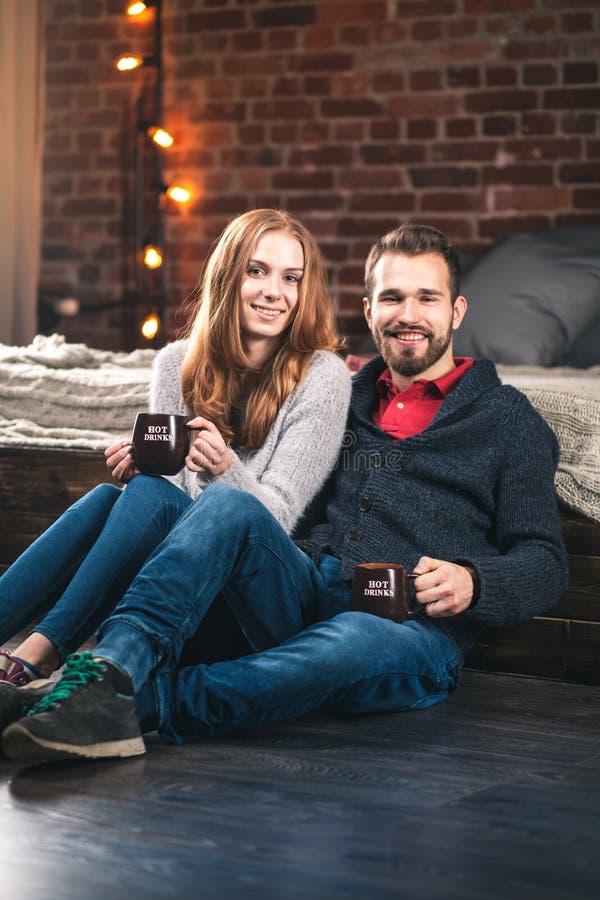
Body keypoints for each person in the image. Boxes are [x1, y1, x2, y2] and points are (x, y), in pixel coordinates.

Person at [1, 222, 569, 763]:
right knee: (228, 503)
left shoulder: (506, 419)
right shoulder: (345, 396)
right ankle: (110, 670)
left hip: (412, 629)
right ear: (369, 311)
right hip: (303, 591)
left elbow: (545, 559)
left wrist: (475, 581)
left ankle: (125, 705)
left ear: (457, 310)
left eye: (428, 298)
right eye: (393, 298)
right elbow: (266, 497)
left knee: (350, 640)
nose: (409, 315)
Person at [0, 209, 351, 689]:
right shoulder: (175, 364)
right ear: (228, 277)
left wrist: (224, 468)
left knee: (146, 496)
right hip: (176, 585)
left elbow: (276, 518)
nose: (275, 291)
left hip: (257, 593)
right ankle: (33, 651)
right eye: (257, 271)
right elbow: (169, 508)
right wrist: (144, 467)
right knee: (113, 496)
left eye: (291, 278)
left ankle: (37, 652)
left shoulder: (324, 375)